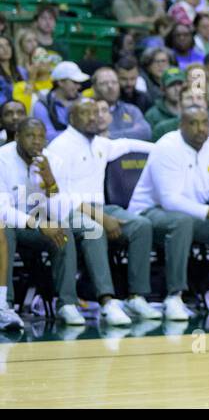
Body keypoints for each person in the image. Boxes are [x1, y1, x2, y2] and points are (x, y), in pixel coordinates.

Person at [128, 107, 209, 319]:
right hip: (150, 212)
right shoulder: (166, 147)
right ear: (181, 126)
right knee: (181, 222)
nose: (200, 129)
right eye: (193, 123)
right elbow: (170, 200)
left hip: (195, 213)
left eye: (205, 123)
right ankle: (174, 297)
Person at [43, 100, 161, 325]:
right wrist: (102, 217)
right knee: (93, 229)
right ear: (71, 118)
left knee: (141, 226)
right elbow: (59, 198)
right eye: (85, 113)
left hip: (99, 208)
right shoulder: (60, 147)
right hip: (68, 212)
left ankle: (137, 297)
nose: (93, 117)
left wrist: (166, 145)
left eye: (95, 112)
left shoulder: (99, 143)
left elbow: (127, 145)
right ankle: (107, 301)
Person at [0, 119, 82, 324]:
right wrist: (38, 224)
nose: (37, 142)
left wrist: (50, 181)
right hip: (10, 224)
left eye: (41, 137)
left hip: (36, 226)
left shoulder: (53, 160)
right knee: (4, 230)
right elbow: (2, 211)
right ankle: (5, 305)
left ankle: (67, 304)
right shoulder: (2, 159)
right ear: (17, 136)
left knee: (63, 231)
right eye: (30, 136)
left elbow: (60, 211)